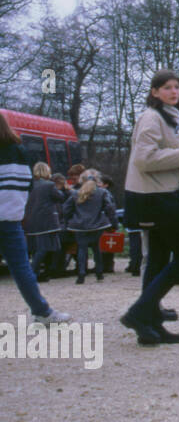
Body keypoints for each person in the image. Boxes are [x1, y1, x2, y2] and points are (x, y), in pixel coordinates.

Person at [120, 70, 179, 345]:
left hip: (165, 195)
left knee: (159, 259)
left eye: (177, 87)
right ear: (154, 92)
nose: (174, 92)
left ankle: (150, 325)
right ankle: (139, 312)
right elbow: (144, 159)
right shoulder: (151, 117)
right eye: (166, 88)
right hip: (154, 197)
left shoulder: (172, 117)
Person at [0, 112, 72, 324]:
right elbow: (27, 186)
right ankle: (42, 312)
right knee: (22, 268)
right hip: (11, 219)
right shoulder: (20, 151)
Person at [62, 169, 115, 284]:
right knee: (96, 248)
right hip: (97, 225)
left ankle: (81, 274)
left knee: (81, 248)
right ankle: (99, 273)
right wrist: (111, 221)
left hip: (79, 226)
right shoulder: (102, 192)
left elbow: (66, 209)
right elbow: (109, 208)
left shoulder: (76, 193)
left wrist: (69, 220)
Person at [23, 162, 65, 282]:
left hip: (30, 220)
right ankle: (32, 272)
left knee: (35, 248)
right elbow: (60, 197)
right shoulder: (49, 185)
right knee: (44, 248)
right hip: (46, 220)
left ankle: (36, 272)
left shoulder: (28, 185)